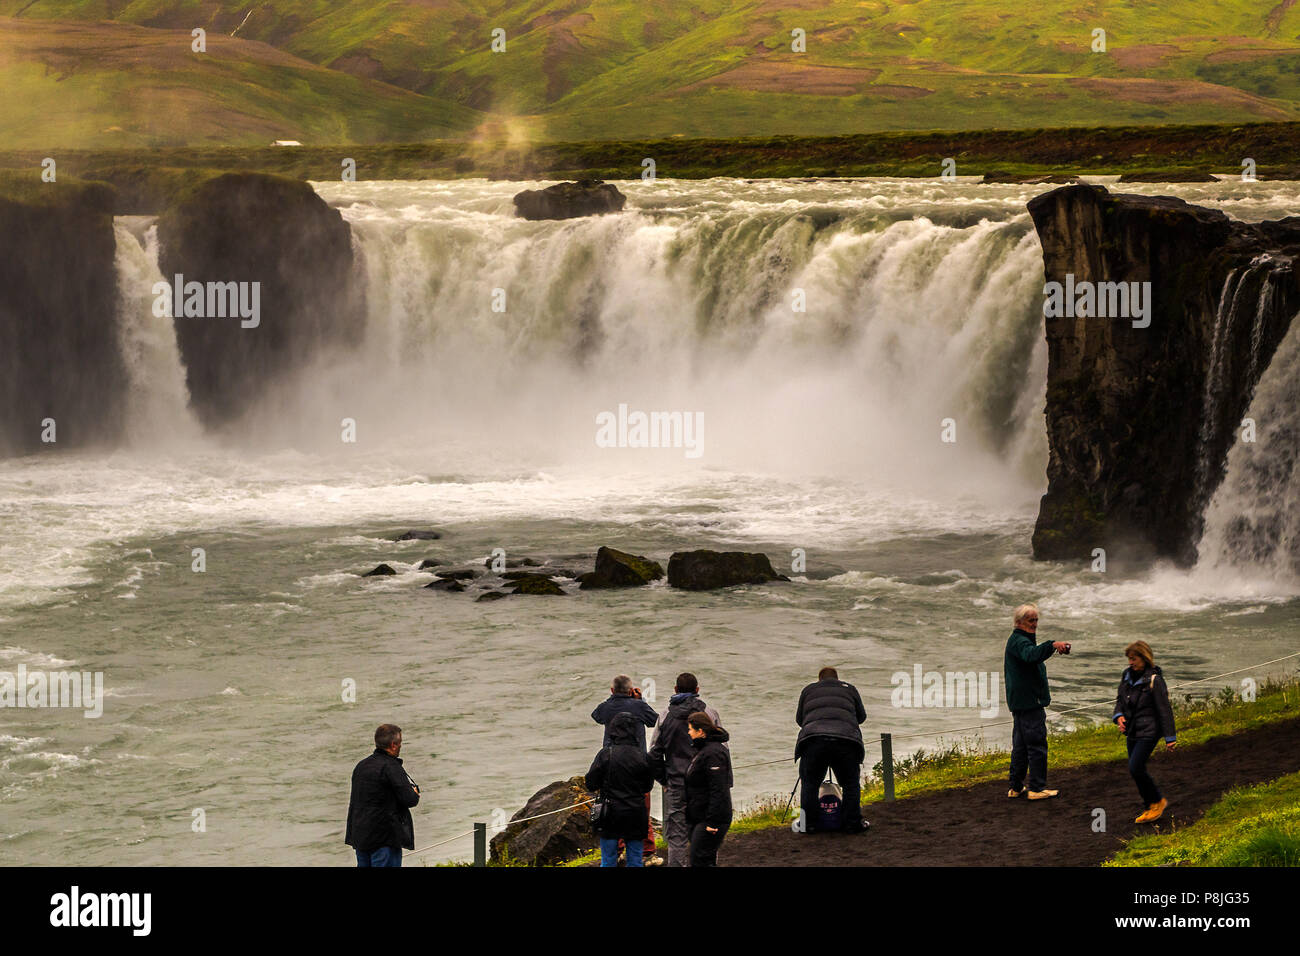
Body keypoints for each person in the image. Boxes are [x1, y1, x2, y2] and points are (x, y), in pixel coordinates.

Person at [648, 672, 722, 867]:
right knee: (707, 832)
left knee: (677, 837)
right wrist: (722, 782)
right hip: (704, 784)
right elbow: (721, 750)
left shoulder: (665, 716)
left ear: (675, 690)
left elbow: (654, 752)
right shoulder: (710, 713)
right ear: (697, 690)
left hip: (676, 782)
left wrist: (664, 780)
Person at [1004, 603, 1071, 800]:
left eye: (1036, 620)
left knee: (1021, 747)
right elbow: (1031, 655)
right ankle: (1036, 788)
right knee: (1036, 744)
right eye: (1030, 620)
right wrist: (1052, 645)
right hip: (1029, 702)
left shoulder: (1020, 640)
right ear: (1018, 622)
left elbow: (1031, 656)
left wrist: (1049, 647)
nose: (1034, 624)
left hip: (1022, 702)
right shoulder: (1020, 642)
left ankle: (1016, 787)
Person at [592, 675, 661, 863]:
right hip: (637, 761)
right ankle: (646, 851)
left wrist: (613, 699)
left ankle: (618, 849)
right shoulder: (638, 706)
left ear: (612, 690)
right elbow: (655, 720)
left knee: (612, 810)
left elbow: (596, 715)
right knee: (640, 810)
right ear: (631, 690)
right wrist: (639, 701)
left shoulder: (606, 708)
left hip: (610, 762)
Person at [795, 666, 868, 833]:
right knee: (850, 783)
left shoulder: (808, 690)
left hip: (814, 740)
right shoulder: (850, 689)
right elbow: (861, 717)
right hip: (846, 739)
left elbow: (800, 719)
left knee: (810, 783)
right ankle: (852, 823)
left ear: (819, 679)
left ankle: (809, 825)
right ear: (837, 678)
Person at [1113, 640, 1176, 823]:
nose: (1130, 662)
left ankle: (1157, 802)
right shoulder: (1126, 675)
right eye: (1129, 659)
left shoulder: (1155, 680)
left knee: (1136, 767)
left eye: (1134, 659)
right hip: (1132, 729)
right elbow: (1119, 699)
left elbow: (1165, 709)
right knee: (1135, 770)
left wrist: (1170, 737)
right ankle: (1150, 806)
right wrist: (1119, 717)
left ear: (1144, 657)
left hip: (1149, 731)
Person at [584, 713, 656, 867]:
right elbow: (647, 786)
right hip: (636, 811)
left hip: (610, 812)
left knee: (608, 860)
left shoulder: (606, 754)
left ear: (613, 730)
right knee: (635, 860)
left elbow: (590, 783)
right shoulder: (644, 757)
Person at [345, 723, 420, 867]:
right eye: (400, 743)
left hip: (361, 835)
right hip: (385, 838)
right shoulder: (391, 767)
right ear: (393, 745)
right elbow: (409, 799)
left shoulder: (361, 766)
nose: (400, 746)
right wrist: (414, 792)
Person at [683, 711, 732, 866]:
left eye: (691, 729)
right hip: (700, 815)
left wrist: (713, 821)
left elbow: (719, 789)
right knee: (704, 860)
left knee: (699, 859)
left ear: (701, 731)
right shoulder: (704, 750)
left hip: (711, 819)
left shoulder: (713, 753)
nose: (688, 733)